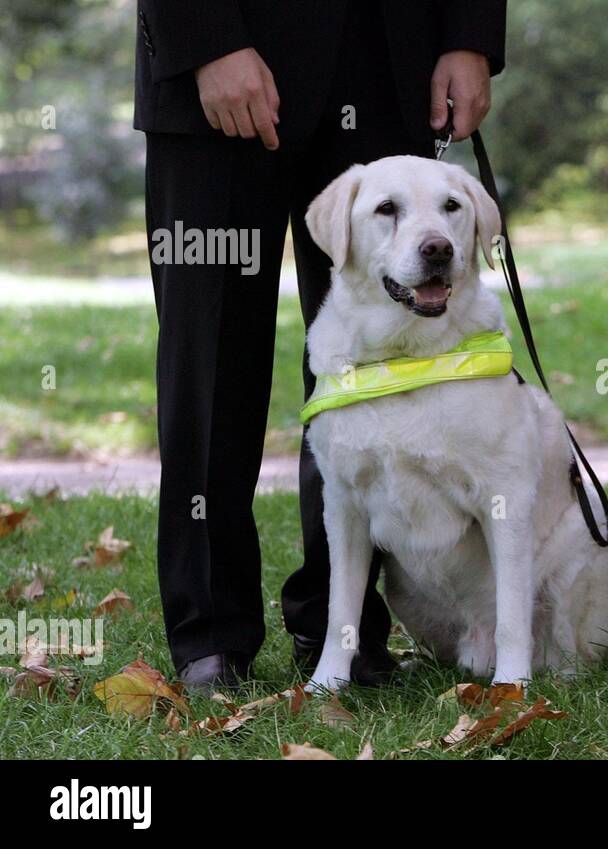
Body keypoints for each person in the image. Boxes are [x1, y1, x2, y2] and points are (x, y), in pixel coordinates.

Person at [133, 0, 506, 692]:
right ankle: (210, 632)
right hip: (220, 64)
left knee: (377, 368)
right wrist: (205, 40)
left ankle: (345, 627)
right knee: (209, 363)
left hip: (386, 62)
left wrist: (471, 37)